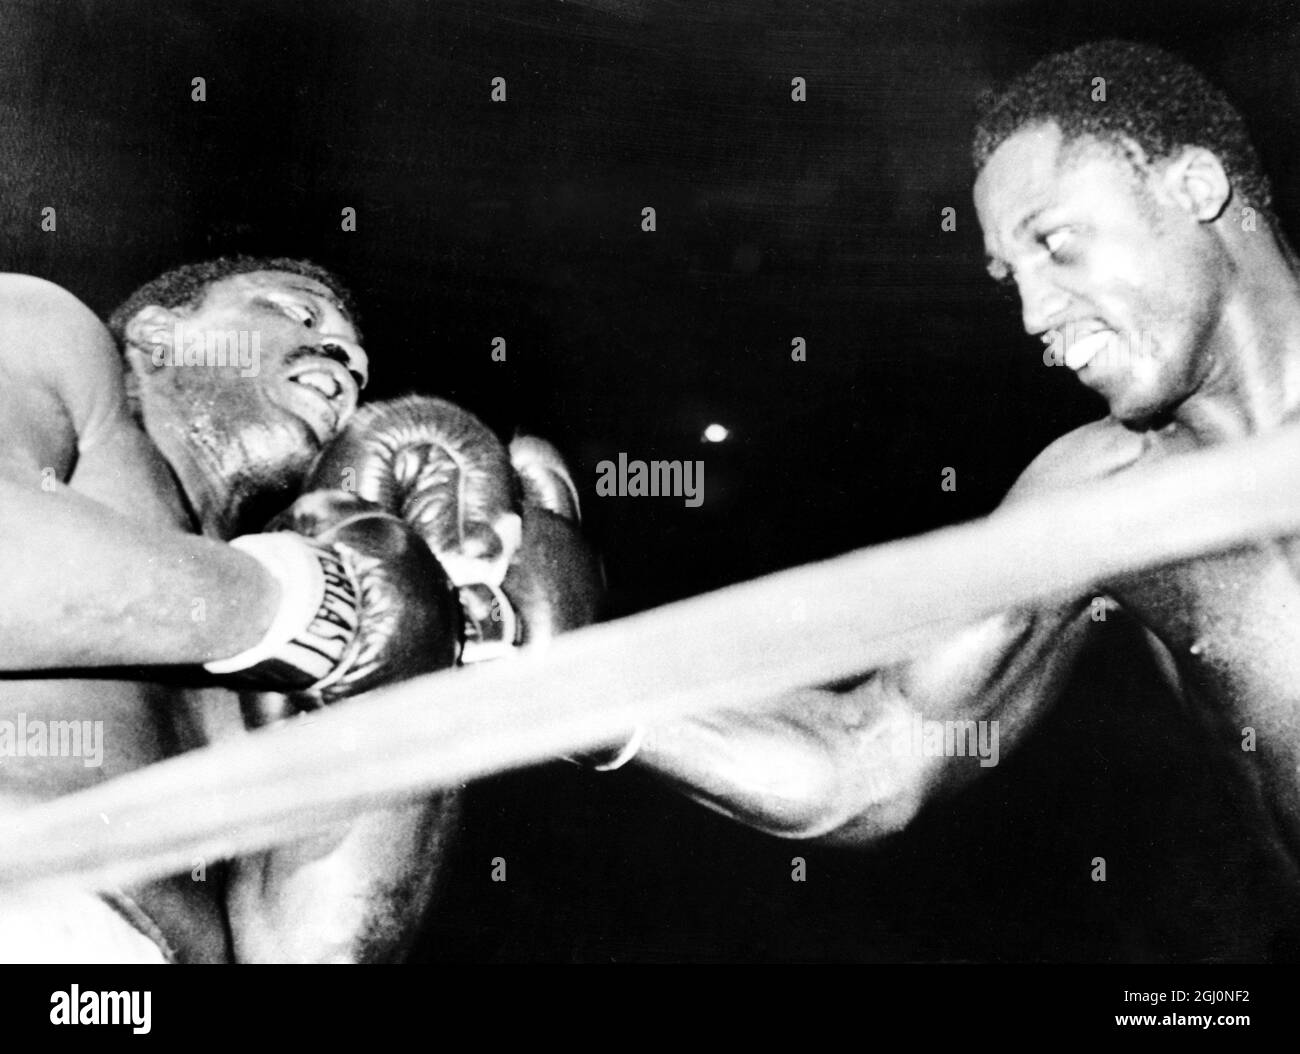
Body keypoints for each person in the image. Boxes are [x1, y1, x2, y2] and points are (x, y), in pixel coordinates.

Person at [629, 40, 1300, 878]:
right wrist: (562, 688)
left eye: (1055, 244)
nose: (1034, 316)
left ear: (1197, 187)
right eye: (1008, 278)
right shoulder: (1102, 498)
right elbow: (870, 760)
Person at [0, 257, 483, 962]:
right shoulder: (47, 329)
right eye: (296, 311)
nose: (346, 357)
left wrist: (424, 662)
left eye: (360, 363)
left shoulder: (274, 651)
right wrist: (297, 606)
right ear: (160, 332)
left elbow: (308, 949)